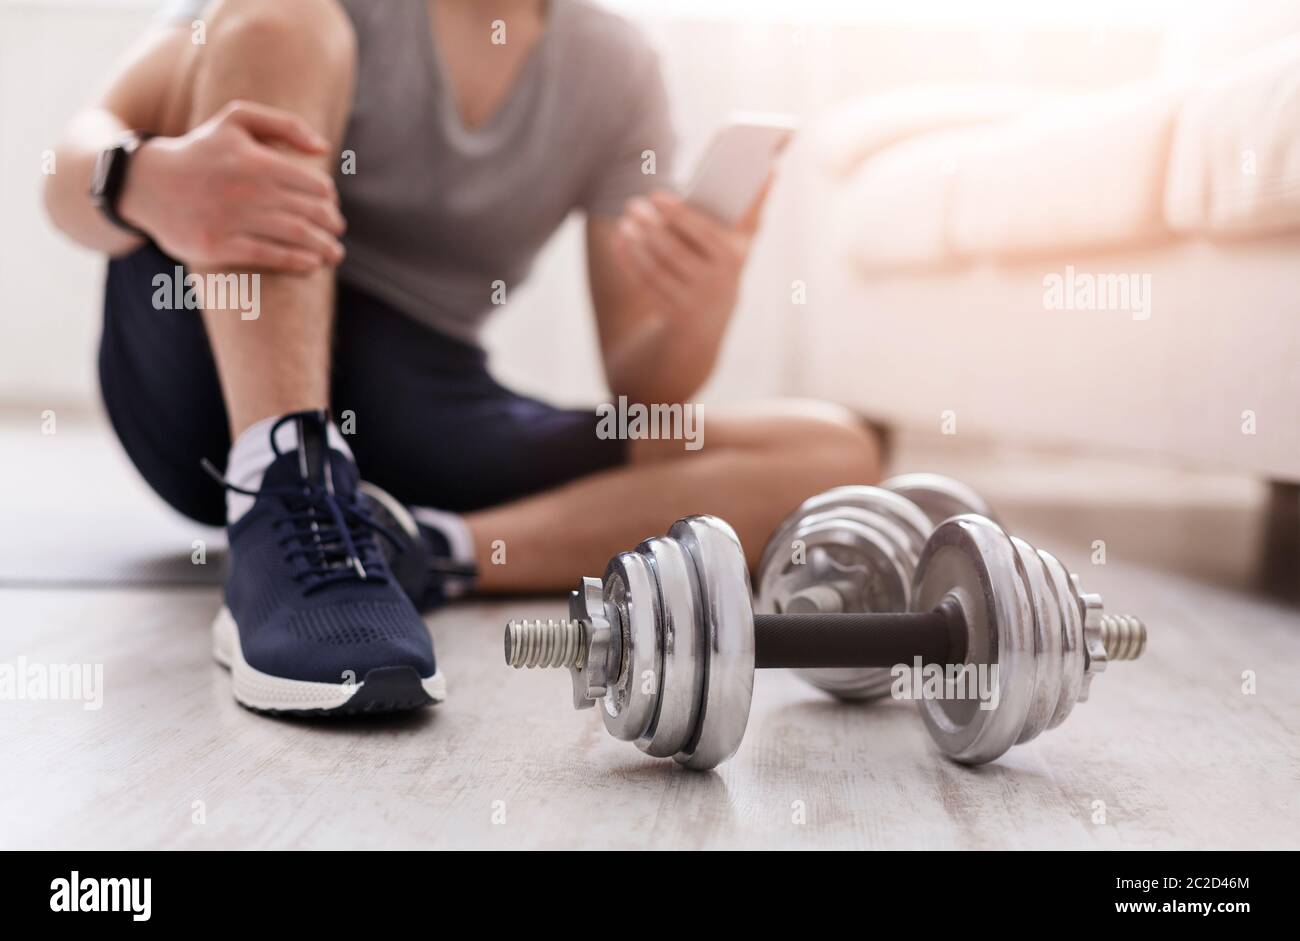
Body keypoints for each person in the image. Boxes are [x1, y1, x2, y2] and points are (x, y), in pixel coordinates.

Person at [43, 0, 881, 716]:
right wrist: (140, 178)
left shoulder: (615, 64)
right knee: (285, 14)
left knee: (834, 452)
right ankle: (285, 475)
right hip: (210, 355)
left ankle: (424, 549)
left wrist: (707, 298)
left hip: (425, 402)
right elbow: (69, 164)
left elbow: (644, 384)